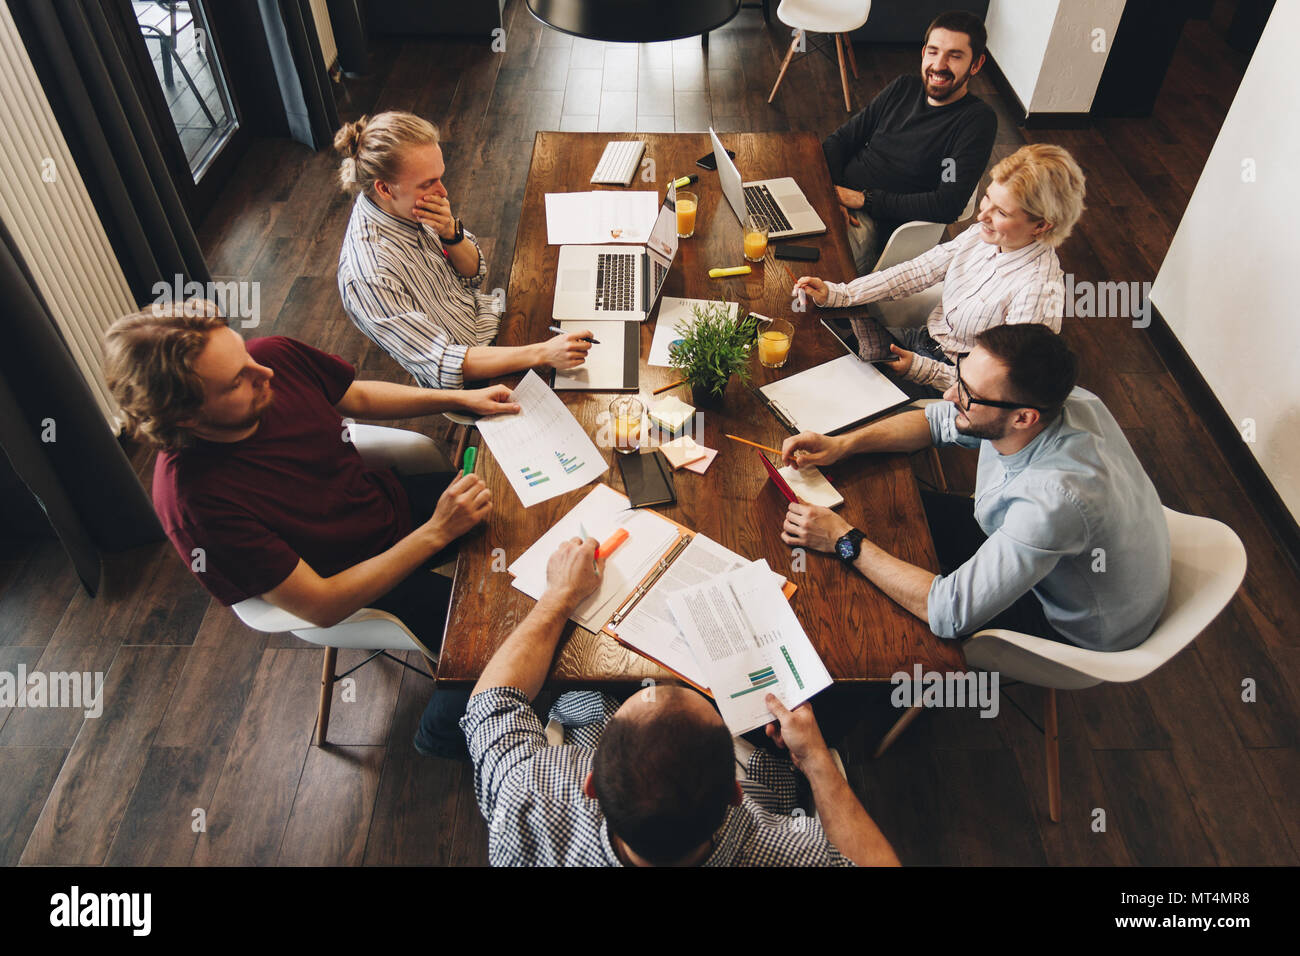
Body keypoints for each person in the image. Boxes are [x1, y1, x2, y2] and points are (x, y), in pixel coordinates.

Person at [102, 302, 514, 758]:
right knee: (497, 639)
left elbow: (352, 395)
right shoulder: (194, 503)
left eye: (244, 355)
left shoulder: (269, 358)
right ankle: (440, 735)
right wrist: (436, 533)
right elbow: (322, 604)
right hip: (355, 587)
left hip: (384, 507)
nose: (266, 374)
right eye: (238, 381)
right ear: (186, 418)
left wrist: (456, 398)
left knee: (520, 510)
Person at [461, 537, 901, 867]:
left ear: (591, 784)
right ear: (733, 793)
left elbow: (491, 703)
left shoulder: (530, 798)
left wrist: (558, 595)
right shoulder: (783, 851)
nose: (654, 688)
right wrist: (817, 759)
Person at [778, 325, 1170, 653]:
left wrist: (843, 540)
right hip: (1072, 551)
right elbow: (935, 421)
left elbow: (947, 613)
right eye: (959, 378)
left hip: (1072, 623)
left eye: (968, 395)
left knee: (882, 623)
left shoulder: (1052, 503)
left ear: (1023, 418)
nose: (951, 396)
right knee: (884, 515)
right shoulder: (1054, 401)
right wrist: (843, 444)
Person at [796, 142, 1085, 393]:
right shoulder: (982, 235)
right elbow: (917, 272)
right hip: (917, 342)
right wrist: (839, 294)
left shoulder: (1037, 293)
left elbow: (1004, 387)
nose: (981, 215)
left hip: (948, 383)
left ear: (1042, 226)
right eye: (987, 198)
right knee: (819, 345)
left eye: (1001, 212)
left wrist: (923, 370)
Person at [334, 110, 591, 389]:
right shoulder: (367, 276)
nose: (443, 192)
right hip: (476, 379)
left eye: (439, 177)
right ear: (384, 189)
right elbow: (445, 363)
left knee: (588, 302)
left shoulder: (409, 207)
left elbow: (473, 275)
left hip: (489, 320)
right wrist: (543, 353)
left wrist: (449, 234)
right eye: (428, 183)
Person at [823, 10, 998, 274]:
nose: (939, 65)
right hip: (837, 196)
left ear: (976, 64)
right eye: (933, 51)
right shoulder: (903, 88)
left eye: (955, 55)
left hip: (876, 223)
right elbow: (839, 141)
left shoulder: (973, 122)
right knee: (766, 221)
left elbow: (947, 203)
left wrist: (863, 200)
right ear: (923, 52)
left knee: (811, 263)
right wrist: (833, 195)